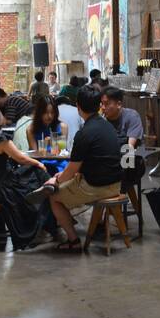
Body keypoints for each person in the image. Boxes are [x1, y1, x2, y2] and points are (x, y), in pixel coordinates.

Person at [36, 85, 123, 251]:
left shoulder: (84, 134)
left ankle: (73, 240)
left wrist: (56, 180)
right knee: (62, 182)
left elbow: (72, 170)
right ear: (99, 105)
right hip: (116, 184)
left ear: (78, 106)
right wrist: (63, 176)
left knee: (53, 196)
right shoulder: (108, 126)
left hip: (96, 187)